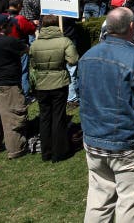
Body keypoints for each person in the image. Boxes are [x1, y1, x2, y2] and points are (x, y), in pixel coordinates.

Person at [79, 7, 134, 222]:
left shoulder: (88, 57)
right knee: (131, 203)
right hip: (127, 146)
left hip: (96, 142)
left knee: (99, 200)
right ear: (131, 28)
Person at [29, 14, 79, 162]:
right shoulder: (64, 41)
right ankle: (60, 151)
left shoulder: (35, 44)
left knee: (45, 117)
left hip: (42, 83)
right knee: (58, 116)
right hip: (58, 82)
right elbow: (73, 59)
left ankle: (46, 151)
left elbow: (33, 63)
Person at [0, 14, 28, 158]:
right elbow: (26, 49)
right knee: (12, 117)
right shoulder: (8, 41)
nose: (12, 27)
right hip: (7, 83)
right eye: (10, 25)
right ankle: (16, 148)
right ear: (3, 27)